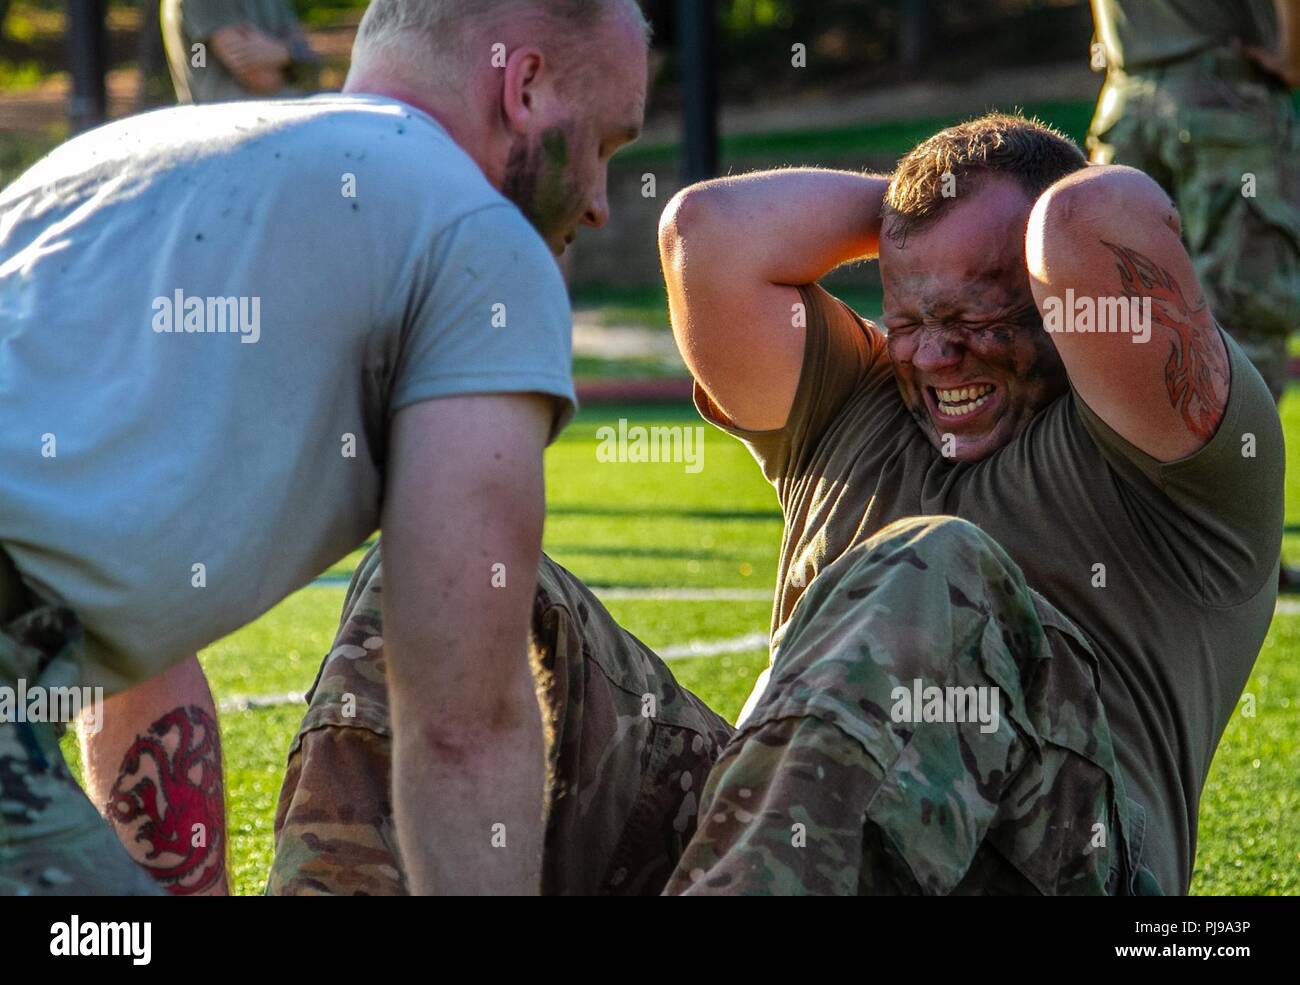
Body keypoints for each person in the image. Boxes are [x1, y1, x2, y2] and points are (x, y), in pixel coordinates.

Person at [0, 0, 649, 896]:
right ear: (525, 84)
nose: (602, 203)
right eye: (607, 146)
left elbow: (129, 622)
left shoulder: (128, 157)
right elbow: (464, 721)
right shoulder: (476, 241)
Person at [655, 114, 1281, 894]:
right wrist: (923, 210)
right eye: (911, 319)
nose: (934, 354)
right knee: (551, 621)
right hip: (804, 849)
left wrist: (991, 215)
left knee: (931, 558)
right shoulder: (851, 405)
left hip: (1057, 862)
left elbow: (1091, 220)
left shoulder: (1158, 453)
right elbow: (705, 235)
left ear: (1052, 295)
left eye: (973, 318)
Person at [1087, 0, 1300, 404]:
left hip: (1124, 99)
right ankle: (1234, 458)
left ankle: (1143, 460)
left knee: (1120, 308)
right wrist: (1294, 58)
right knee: (1245, 303)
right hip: (1222, 96)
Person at [162, 0, 321, 103]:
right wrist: (291, 56)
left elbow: (310, 60)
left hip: (277, 128)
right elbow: (260, 77)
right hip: (226, 139)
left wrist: (285, 53)